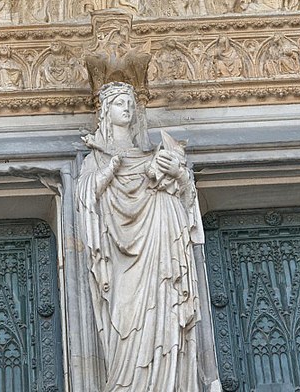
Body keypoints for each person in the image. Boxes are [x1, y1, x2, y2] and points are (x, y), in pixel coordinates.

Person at [78, 82, 214, 392]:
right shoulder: (96, 159)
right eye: (118, 103)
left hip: (162, 241)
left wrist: (180, 176)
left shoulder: (154, 155)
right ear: (104, 112)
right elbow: (85, 197)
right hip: (120, 255)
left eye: (130, 103)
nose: (126, 108)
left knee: (165, 312)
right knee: (124, 319)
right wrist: (109, 171)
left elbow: (188, 204)